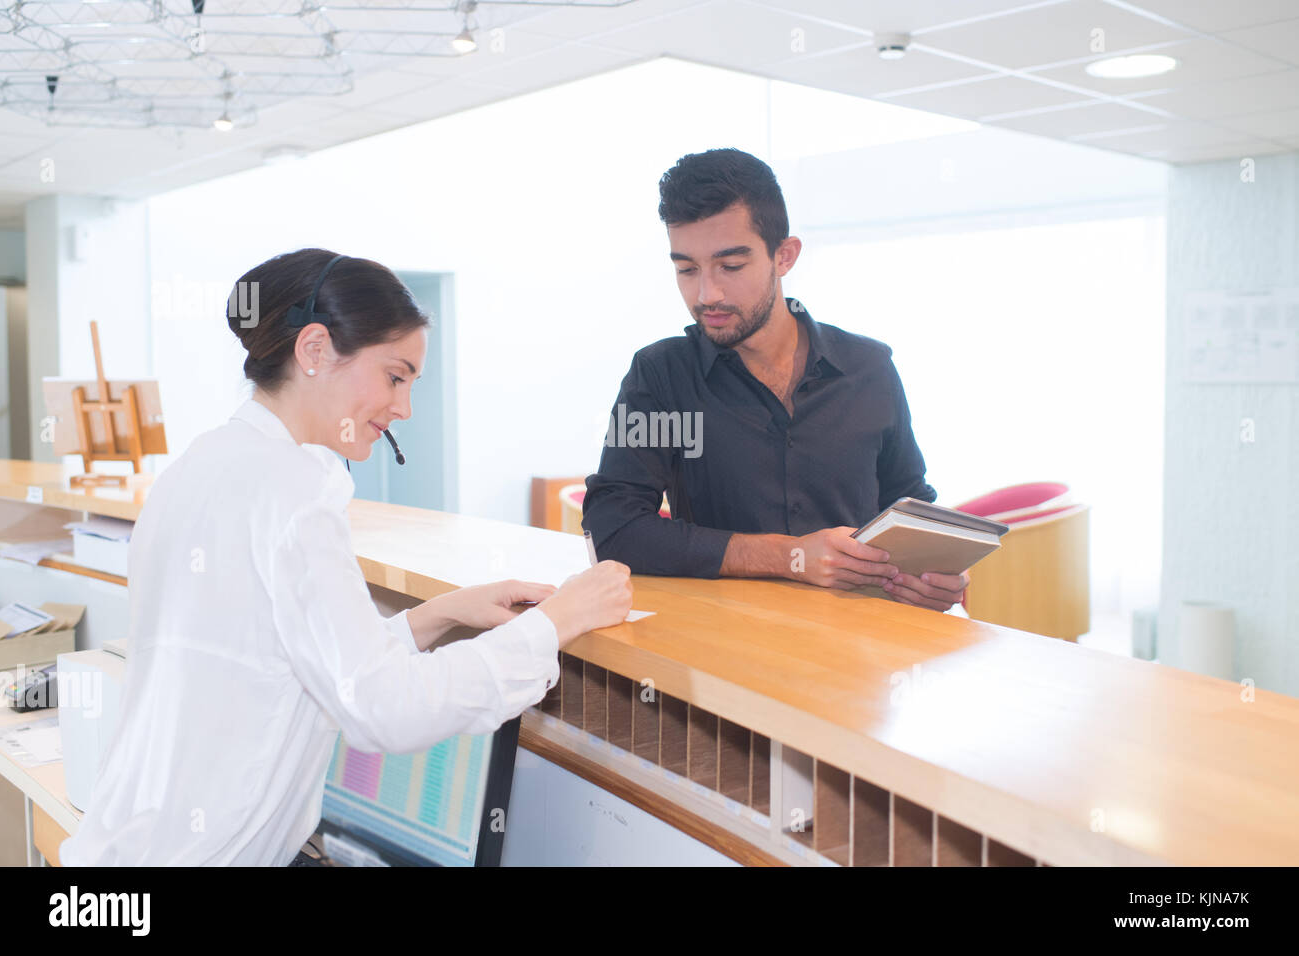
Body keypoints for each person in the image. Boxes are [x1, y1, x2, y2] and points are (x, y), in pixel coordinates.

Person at [59, 248, 632, 866]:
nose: (404, 408)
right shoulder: (292, 490)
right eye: (395, 376)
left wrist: (433, 615)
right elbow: (385, 709)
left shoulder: (202, 465)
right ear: (314, 351)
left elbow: (283, 659)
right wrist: (559, 621)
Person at [582, 148, 967, 612]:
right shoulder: (663, 378)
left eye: (731, 266)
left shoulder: (869, 367)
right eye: (686, 269)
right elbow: (614, 529)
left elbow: (909, 503)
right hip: (730, 648)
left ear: (784, 257)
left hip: (866, 651)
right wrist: (791, 557)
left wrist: (937, 571)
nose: (707, 294)